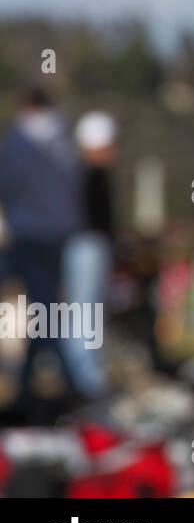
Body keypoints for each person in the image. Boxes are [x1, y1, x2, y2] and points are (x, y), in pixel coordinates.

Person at [0, 87, 83, 423]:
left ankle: (43, 385)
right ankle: (55, 383)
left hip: (29, 236)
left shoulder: (19, 143)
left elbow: (7, 184)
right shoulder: (65, 141)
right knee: (48, 310)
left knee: (43, 313)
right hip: (63, 237)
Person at [59, 111, 118, 400]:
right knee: (84, 313)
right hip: (86, 246)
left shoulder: (85, 173)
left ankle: (85, 376)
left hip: (88, 246)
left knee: (86, 312)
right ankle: (83, 379)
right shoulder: (84, 175)